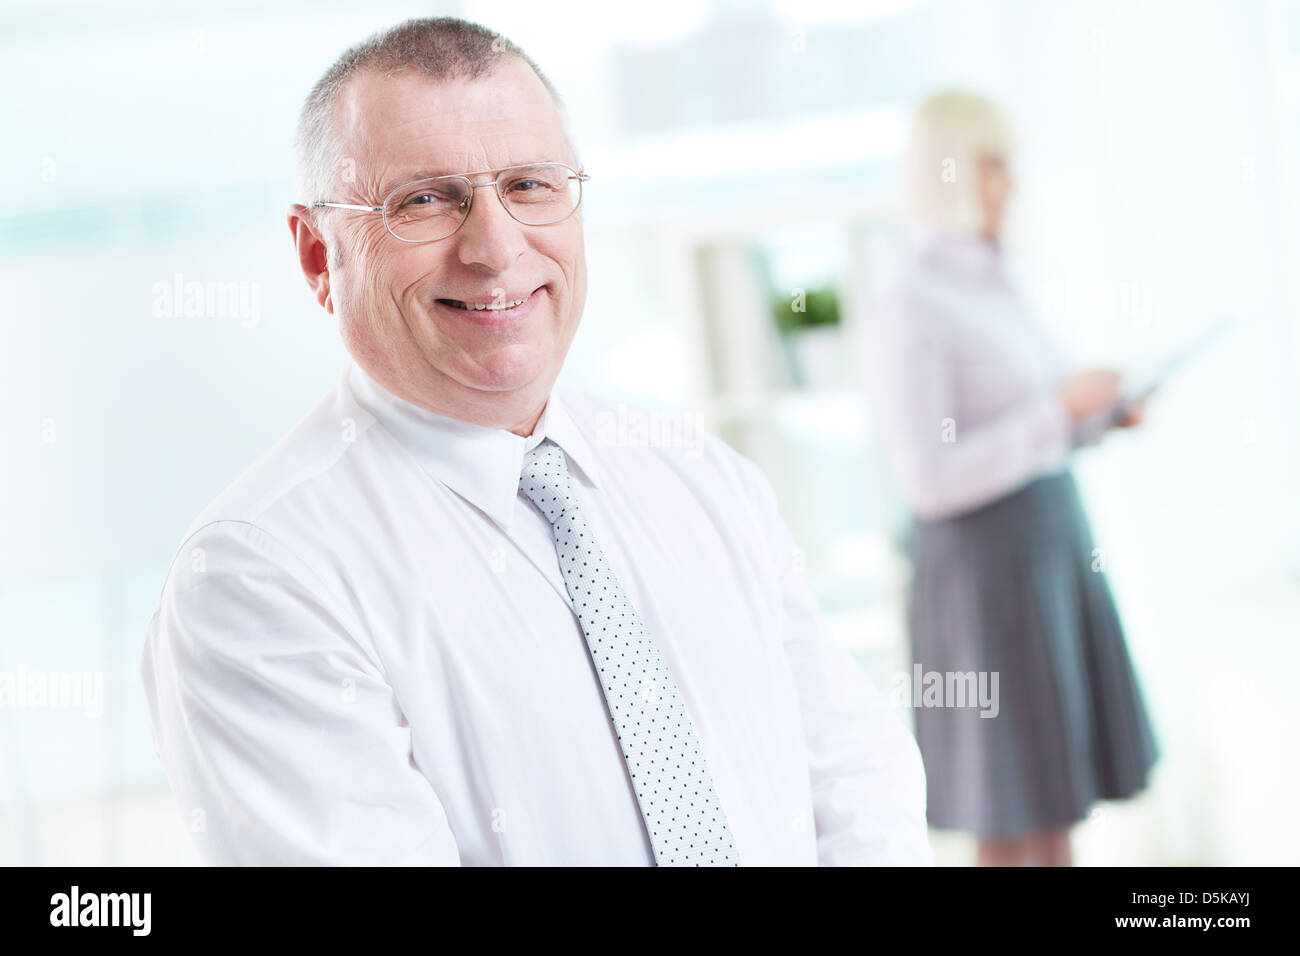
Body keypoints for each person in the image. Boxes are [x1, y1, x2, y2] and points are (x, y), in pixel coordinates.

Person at [138, 16, 932, 867]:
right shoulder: (261, 576)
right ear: (315, 257)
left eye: (528, 184)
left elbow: (855, 778)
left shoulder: (700, 473)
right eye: (424, 200)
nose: (496, 247)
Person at [863, 90, 1160, 866]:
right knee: (1009, 810)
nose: (1009, 186)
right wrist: (1058, 409)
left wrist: (1095, 416)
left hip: (1046, 554)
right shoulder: (909, 299)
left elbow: (1033, 416)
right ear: (950, 171)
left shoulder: (998, 277)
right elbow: (928, 477)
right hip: (984, 582)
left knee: (1055, 800)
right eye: (993, 166)